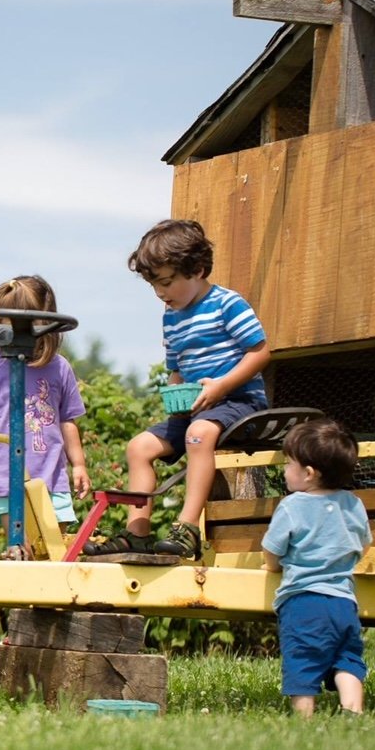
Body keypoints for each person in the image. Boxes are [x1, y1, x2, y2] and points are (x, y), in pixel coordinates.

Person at [86, 218, 270, 559]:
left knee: (198, 434)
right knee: (139, 447)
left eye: (167, 282)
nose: (161, 293)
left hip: (238, 401)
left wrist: (222, 385)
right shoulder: (171, 317)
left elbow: (260, 353)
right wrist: (175, 396)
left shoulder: (227, 304)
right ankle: (136, 532)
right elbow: (176, 368)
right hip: (197, 407)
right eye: (154, 285)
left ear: (197, 269)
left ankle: (187, 528)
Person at [0, 275, 90, 546]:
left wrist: (79, 464)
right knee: (23, 548)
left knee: (55, 551)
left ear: (45, 323)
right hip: (6, 478)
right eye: (5, 325)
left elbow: (67, 420)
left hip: (52, 477)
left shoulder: (59, 368)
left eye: (26, 325)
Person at [261, 418, 371, 717]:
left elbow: (272, 551)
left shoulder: (293, 506)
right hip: (344, 602)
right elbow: (363, 544)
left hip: (303, 601)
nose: (284, 470)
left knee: (302, 661)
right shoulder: (354, 504)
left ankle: (304, 719)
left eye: (288, 464)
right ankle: (353, 710)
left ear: (308, 474)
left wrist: (273, 566)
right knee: (347, 658)